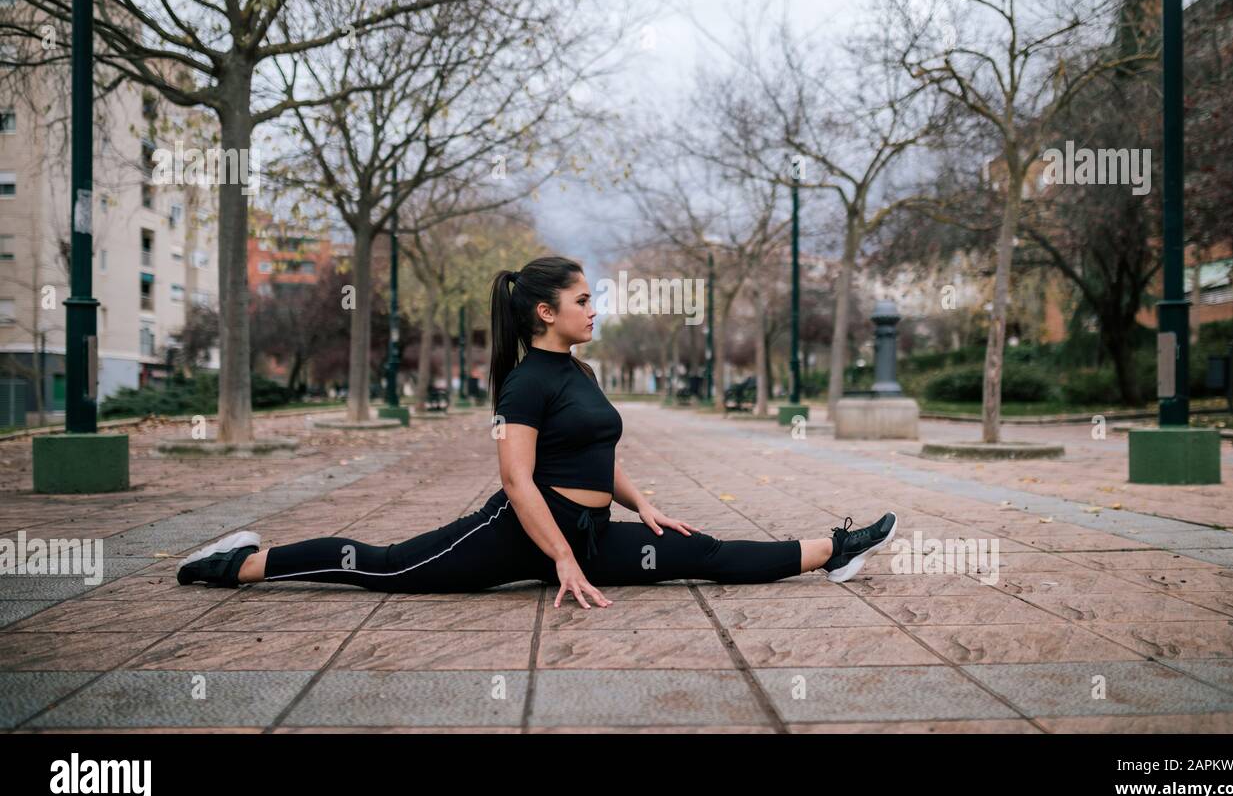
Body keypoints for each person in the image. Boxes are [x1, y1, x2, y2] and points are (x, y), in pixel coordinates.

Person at [177, 255, 897, 607]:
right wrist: (559, 559)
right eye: (584, 300)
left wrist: (640, 504)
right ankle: (240, 562)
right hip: (520, 533)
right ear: (546, 312)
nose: (596, 309)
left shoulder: (579, 376)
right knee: (386, 567)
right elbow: (516, 482)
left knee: (700, 551)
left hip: (587, 532)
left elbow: (592, 452)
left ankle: (834, 548)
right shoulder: (525, 383)